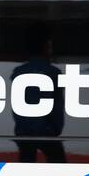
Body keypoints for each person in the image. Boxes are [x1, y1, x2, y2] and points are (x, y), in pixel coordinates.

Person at [11, 24, 65, 163]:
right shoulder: (53, 72)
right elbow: (57, 105)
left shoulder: (19, 71)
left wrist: (21, 129)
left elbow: (15, 106)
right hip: (46, 130)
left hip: (25, 131)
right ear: (45, 47)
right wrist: (54, 129)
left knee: (26, 163)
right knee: (59, 163)